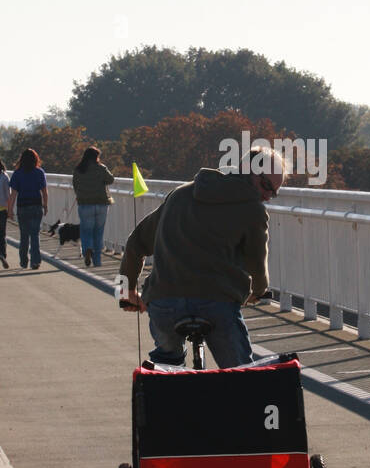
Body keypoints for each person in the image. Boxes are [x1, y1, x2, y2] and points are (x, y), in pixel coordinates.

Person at [118, 148, 285, 369]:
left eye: (273, 193)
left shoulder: (180, 194)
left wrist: (125, 292)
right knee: (240, 372)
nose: (267, 196)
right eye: (265, 186)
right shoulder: (253, 209)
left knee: (167, 363)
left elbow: (135, 242)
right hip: (218, 304)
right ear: (247, 171)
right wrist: (259, 291)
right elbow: (257, 263)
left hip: (164, 302)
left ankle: (167, 379)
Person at [72, 145, 115, 267]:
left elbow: (75, 185)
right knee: (98, 232)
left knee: (86, 231)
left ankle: (87, 249)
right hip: (101, 203)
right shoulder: (101, 168)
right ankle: (97, 261)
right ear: (96, 157)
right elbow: (111, 179)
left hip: (85, 204)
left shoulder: (78, 169)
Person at [8, 147, 48, 271]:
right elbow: (44, 192)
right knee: (35, 235)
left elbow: (13, 194)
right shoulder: (39, 172)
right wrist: (45, 205)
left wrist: (9, 210)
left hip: (22, 207)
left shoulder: (17, 173)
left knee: (24, 236)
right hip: (36, 206)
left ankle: (24, 261)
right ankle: (35, 261)